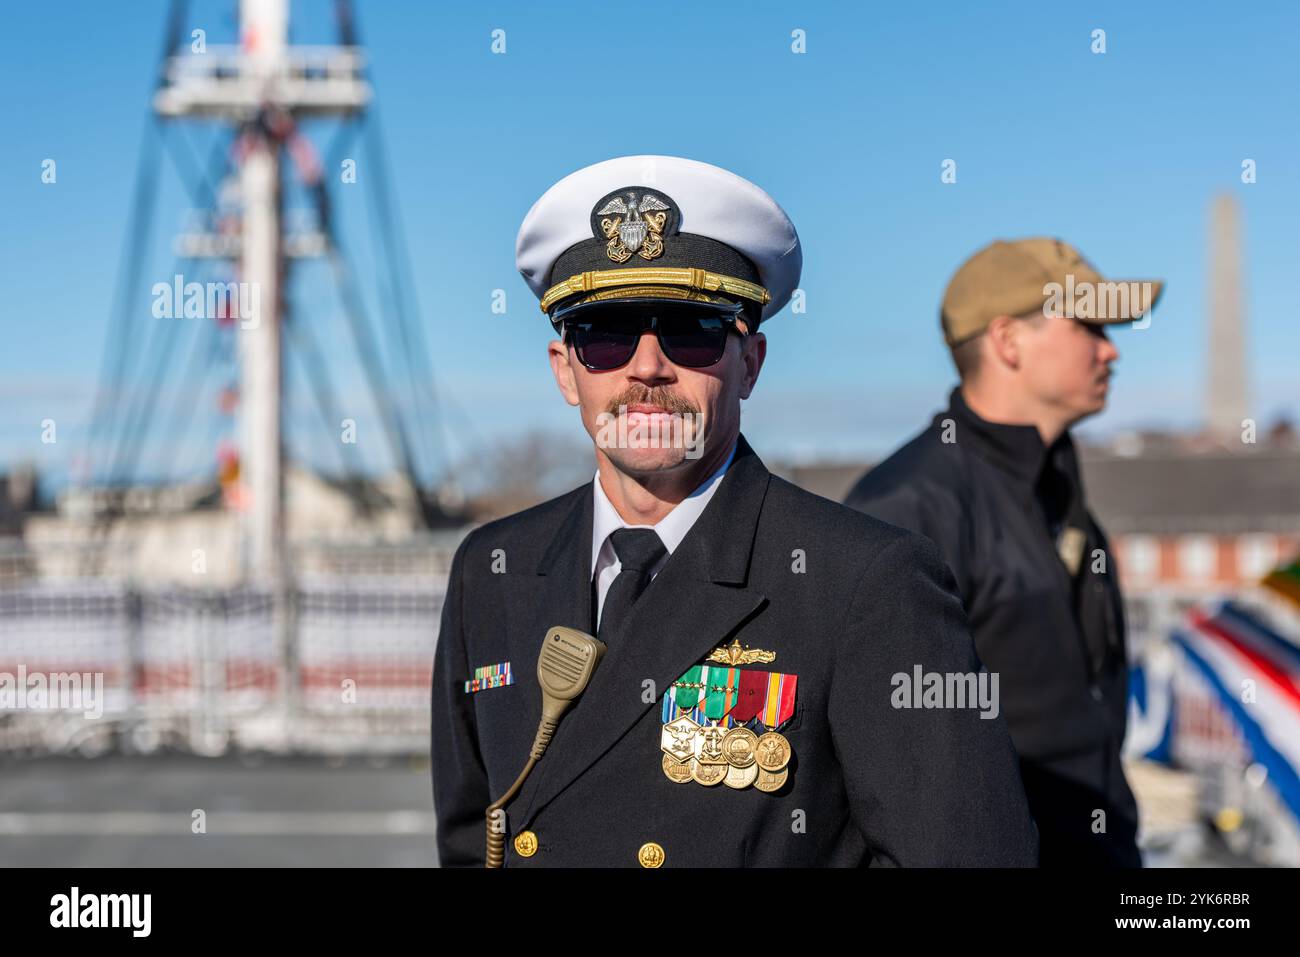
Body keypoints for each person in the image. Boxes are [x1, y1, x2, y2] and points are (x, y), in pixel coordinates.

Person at [431, 156, 1037, 868]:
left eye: (691, 331)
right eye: (606, 335)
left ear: (749, 362)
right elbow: (472, 842)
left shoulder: (865, 583)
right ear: (566, 370)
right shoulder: (492, 571)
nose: (647, 367)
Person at [845, 237, 1163, 867]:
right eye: (1089, 326)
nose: (1112, 348)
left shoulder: (1057, 491)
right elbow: (888, 767)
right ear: (1008, 341)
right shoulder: (907, 508)